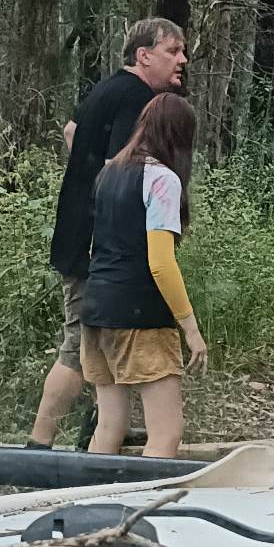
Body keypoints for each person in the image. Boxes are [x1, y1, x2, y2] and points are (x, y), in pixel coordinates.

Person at [29, 18, 188, 447]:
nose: (182, 60)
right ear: (144, 55)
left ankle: (96, 439)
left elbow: (71, 131)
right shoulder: (139, 99)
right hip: (97, 249)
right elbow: (123, 167)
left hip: (77, 234)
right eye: (173, 51)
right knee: (78, 347)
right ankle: (38, 446)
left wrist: (85, 179)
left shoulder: (107, 88)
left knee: (90, 349)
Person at [80, 93, 208, 459]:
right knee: (166, 433)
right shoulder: (162, 179)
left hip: (97, 308)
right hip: (140, 315)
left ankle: (90, 506)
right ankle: (145, 514)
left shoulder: (109, 172)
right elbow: (161, 263)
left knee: (109, 427)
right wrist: (191, 328)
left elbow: (96, 247)